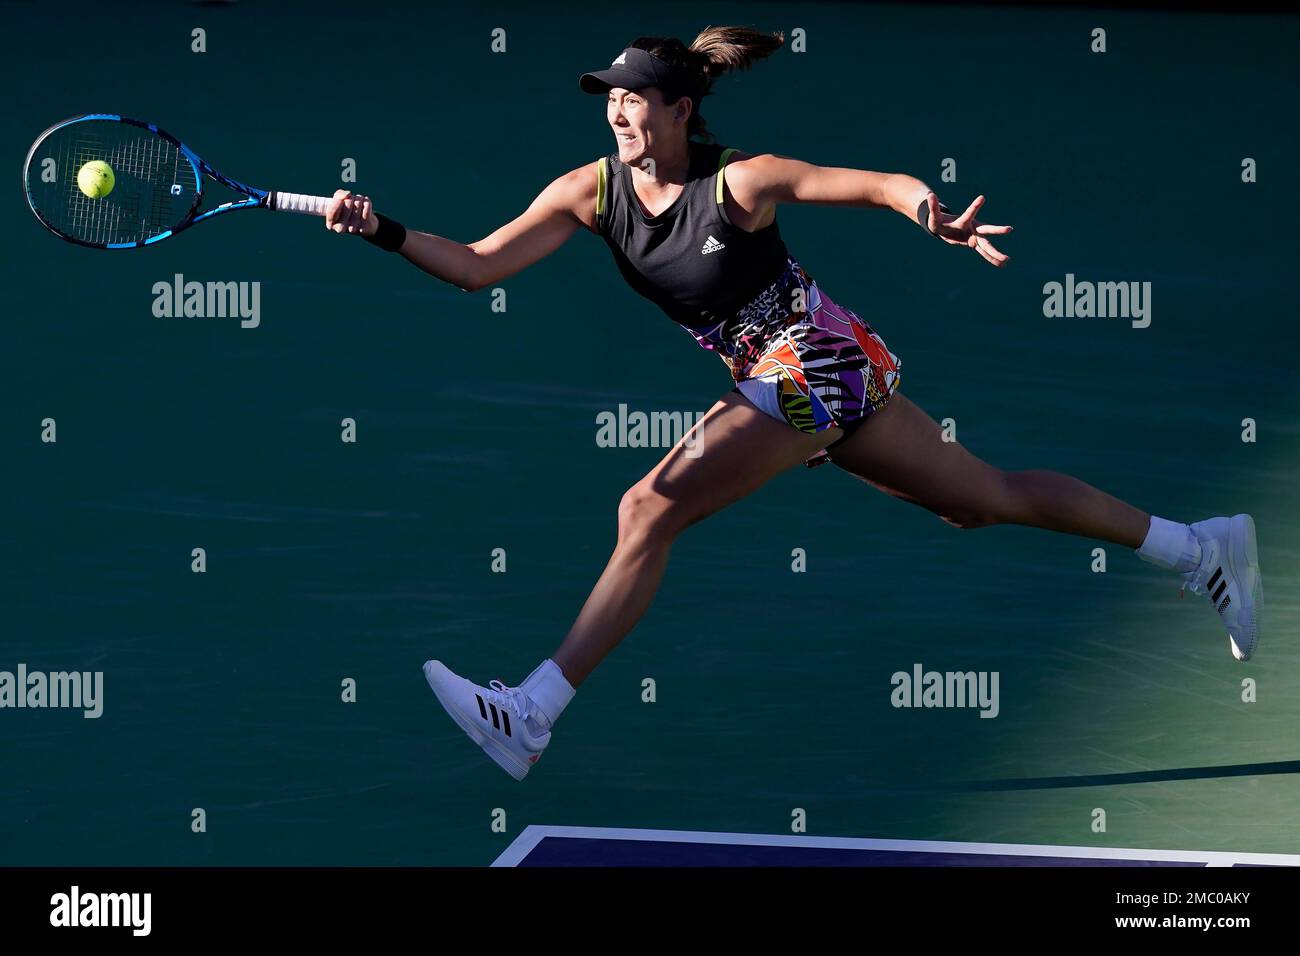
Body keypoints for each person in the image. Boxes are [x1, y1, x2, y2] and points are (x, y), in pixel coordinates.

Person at [324, 26, 1263, 781]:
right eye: (608, 95)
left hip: (813, 358)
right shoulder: (589, 193)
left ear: (679, 108)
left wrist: (922, 206)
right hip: (788, 372)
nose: (616, 109)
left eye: (633, 96)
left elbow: (865, 184)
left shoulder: (743, 181)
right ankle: (1198, 546)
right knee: (979, 498)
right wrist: (384, 230)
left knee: (648, 507)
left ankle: (531, 712)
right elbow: (478, 268)